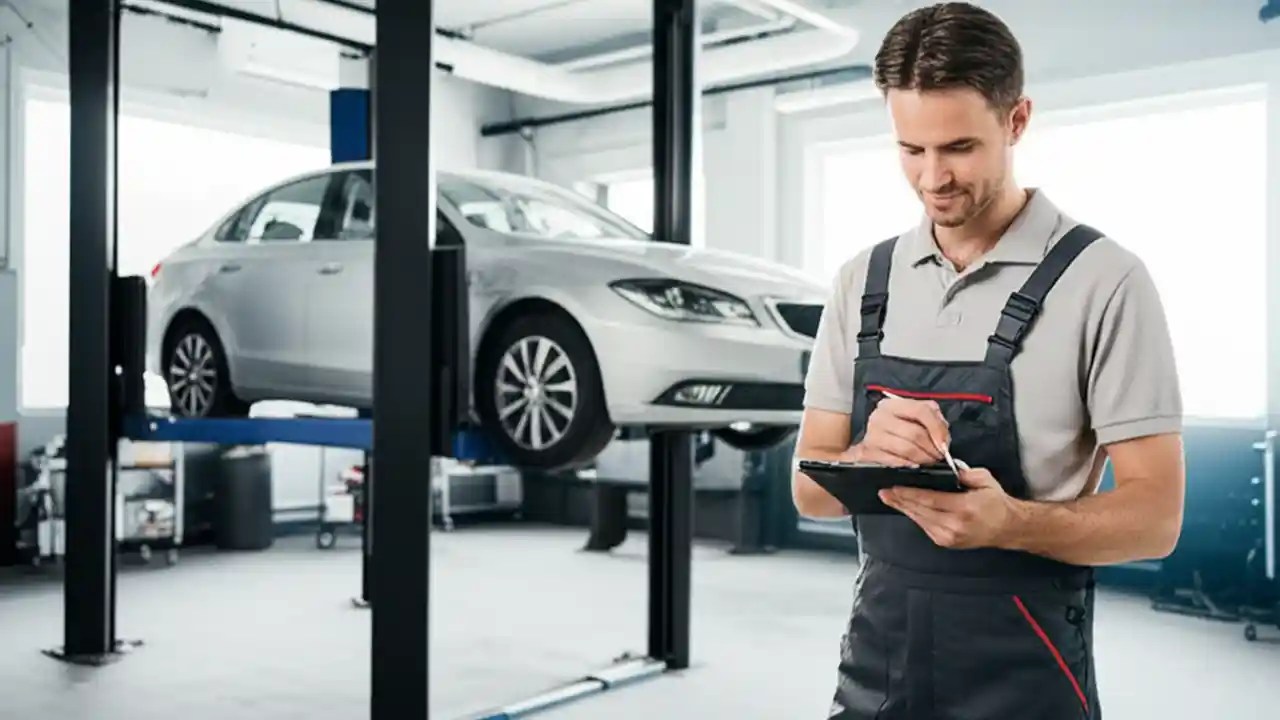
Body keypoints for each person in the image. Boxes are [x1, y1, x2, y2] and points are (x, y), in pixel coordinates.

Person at [792, 3, 1186, 719]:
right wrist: (861, 454)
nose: (932, 177)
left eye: (959, 148)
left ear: (1017, 121)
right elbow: (810, 490)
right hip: (877, 665)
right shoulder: (862, 281)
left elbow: (1156, 517)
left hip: (1027, 670)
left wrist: (1011, 524)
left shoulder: (1104, 281)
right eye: (911, 149)